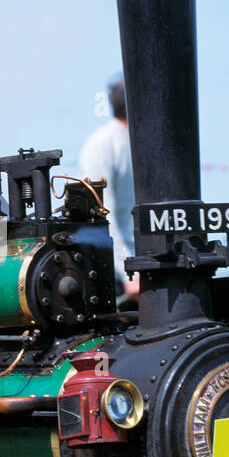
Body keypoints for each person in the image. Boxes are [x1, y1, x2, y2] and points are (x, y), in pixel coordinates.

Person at [79, 74, 139, 301]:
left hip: (141, 265)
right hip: (116, 274)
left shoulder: (140, 142)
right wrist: (128, 272)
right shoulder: (103, 143)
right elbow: (102, 214)